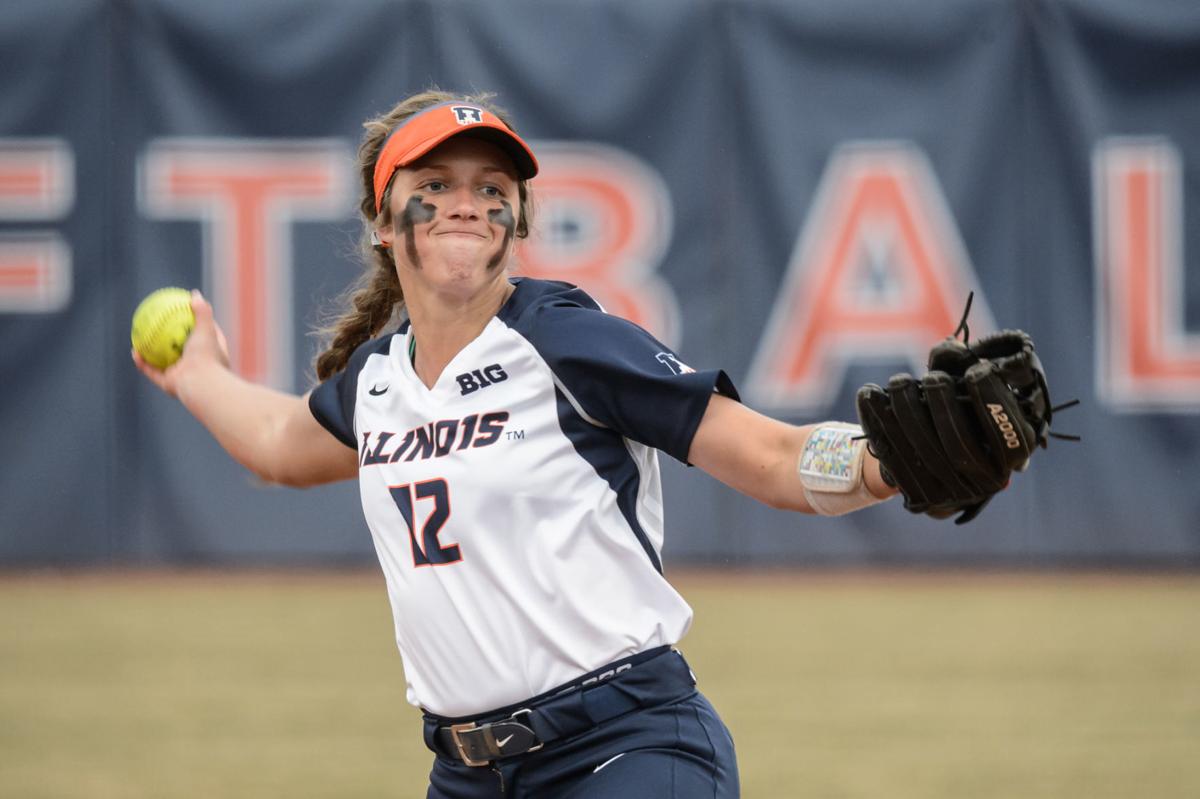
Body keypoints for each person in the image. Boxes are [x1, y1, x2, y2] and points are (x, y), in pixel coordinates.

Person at [133, 89, 897, 798]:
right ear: (381, 215)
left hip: (625, 745)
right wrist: (197, 372)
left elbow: (769, 455)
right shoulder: (378, 382)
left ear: (518, 222)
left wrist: (880, 459)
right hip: (467, 776)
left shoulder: (564, 341)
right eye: (434, 182)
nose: (466, 203)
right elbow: (276, 441)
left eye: (492, 188)